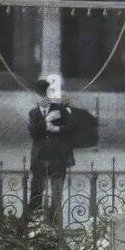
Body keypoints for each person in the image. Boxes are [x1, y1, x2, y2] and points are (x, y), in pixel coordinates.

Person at [28, 75, 74, 225]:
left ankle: (56, 228)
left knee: (56, 197)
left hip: (57, 159)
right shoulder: (34, 113)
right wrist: (47, 120)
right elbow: (33, 132)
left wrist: (56, 128)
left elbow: (72, 128)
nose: (44, 98)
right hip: (39, 159)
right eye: (40, 95)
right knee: (36, 195)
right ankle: (35, 228)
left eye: (46, 94)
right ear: (35, 97)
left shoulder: (60, 110)